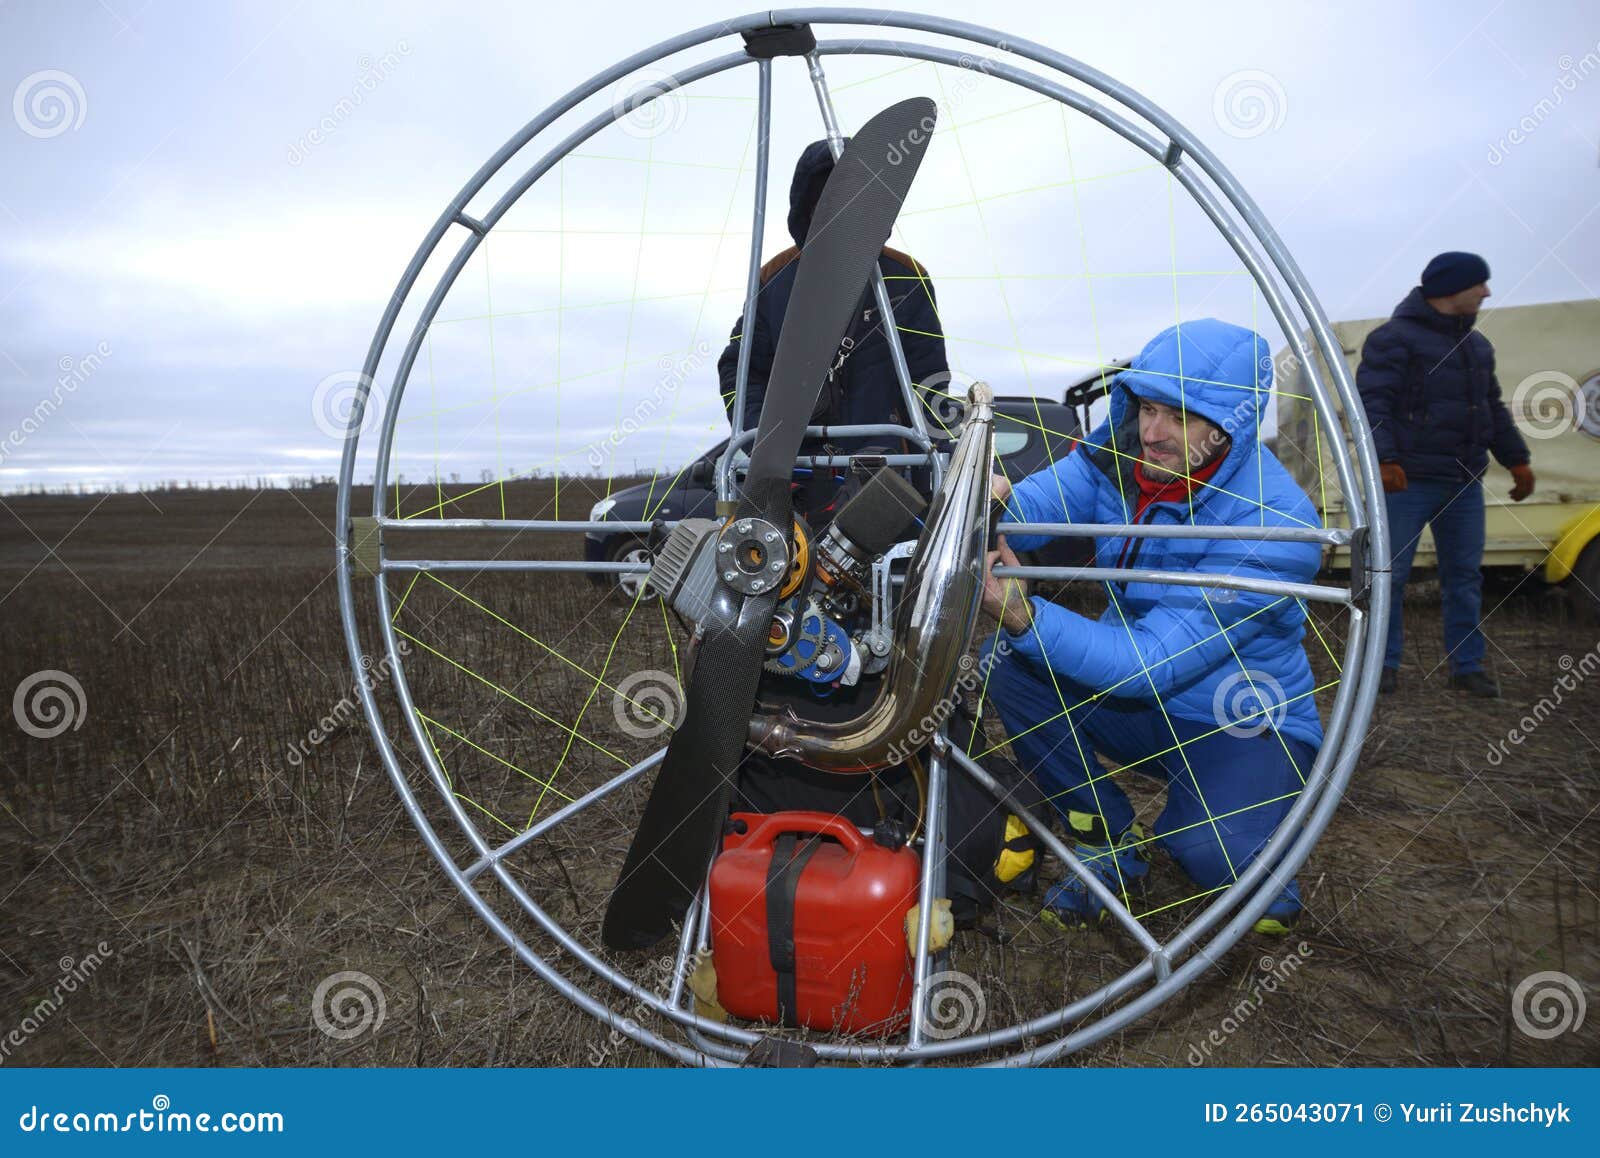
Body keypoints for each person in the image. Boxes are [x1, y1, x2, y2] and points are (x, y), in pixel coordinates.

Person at [979, 319, 1321, 935]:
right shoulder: (1118, 459)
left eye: (1180, 417)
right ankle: (1107, 838)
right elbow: (1034, 514)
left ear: (1229, 426)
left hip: (1239, 719)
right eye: (1148, 408)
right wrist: (999, 502)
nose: (1154, 433)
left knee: (1214, 856)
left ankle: (1258, 861)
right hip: (1145, 707)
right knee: (1008, 666)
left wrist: (1026, 614)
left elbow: (1150, 664)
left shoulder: (1273, 525)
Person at [716, 139, 948, 525]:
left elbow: (930, 382)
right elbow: (739, 371)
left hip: (884, 471)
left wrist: (931, 466)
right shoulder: (774, 279)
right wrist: (764, 442)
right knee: (787, 577)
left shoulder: (907, 278)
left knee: (885, 580)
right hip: (792, 477)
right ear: (808, 208)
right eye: (827, 199)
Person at [1356, 252, 1533, 699]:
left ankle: (1467, 667)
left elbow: (1490, 408)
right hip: (1405, 482)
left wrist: (1517, 459)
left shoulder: (1477, 347)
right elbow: (1372, 404)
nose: (1487, 292)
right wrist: (1385, 459)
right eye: (1480, 283)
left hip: (1464, 481)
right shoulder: (1392, 339)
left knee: (1465, 576)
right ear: (1451, 287)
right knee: (1388, 576)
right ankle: (1384, 665)